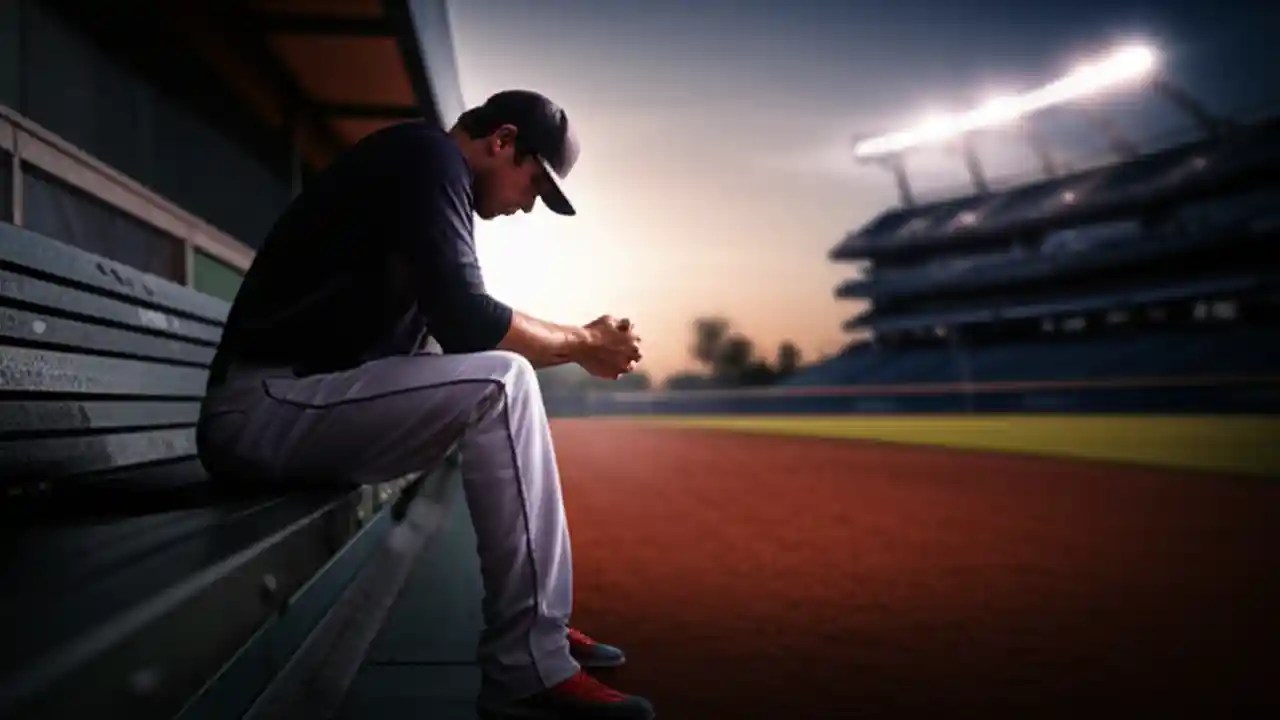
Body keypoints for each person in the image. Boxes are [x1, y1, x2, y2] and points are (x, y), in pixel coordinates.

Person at [196, 90, 655, 720]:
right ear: (501, 141)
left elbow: (451, 331)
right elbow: (471, 319)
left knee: (491, 379)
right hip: (265, 406)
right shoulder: (428, 155)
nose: (529, 205)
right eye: (534, 182)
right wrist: (583, 342)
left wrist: (576, 346)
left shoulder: (426, 175)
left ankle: (538, 622)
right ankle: (529, 656)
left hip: (296, 403)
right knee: (503, 383)